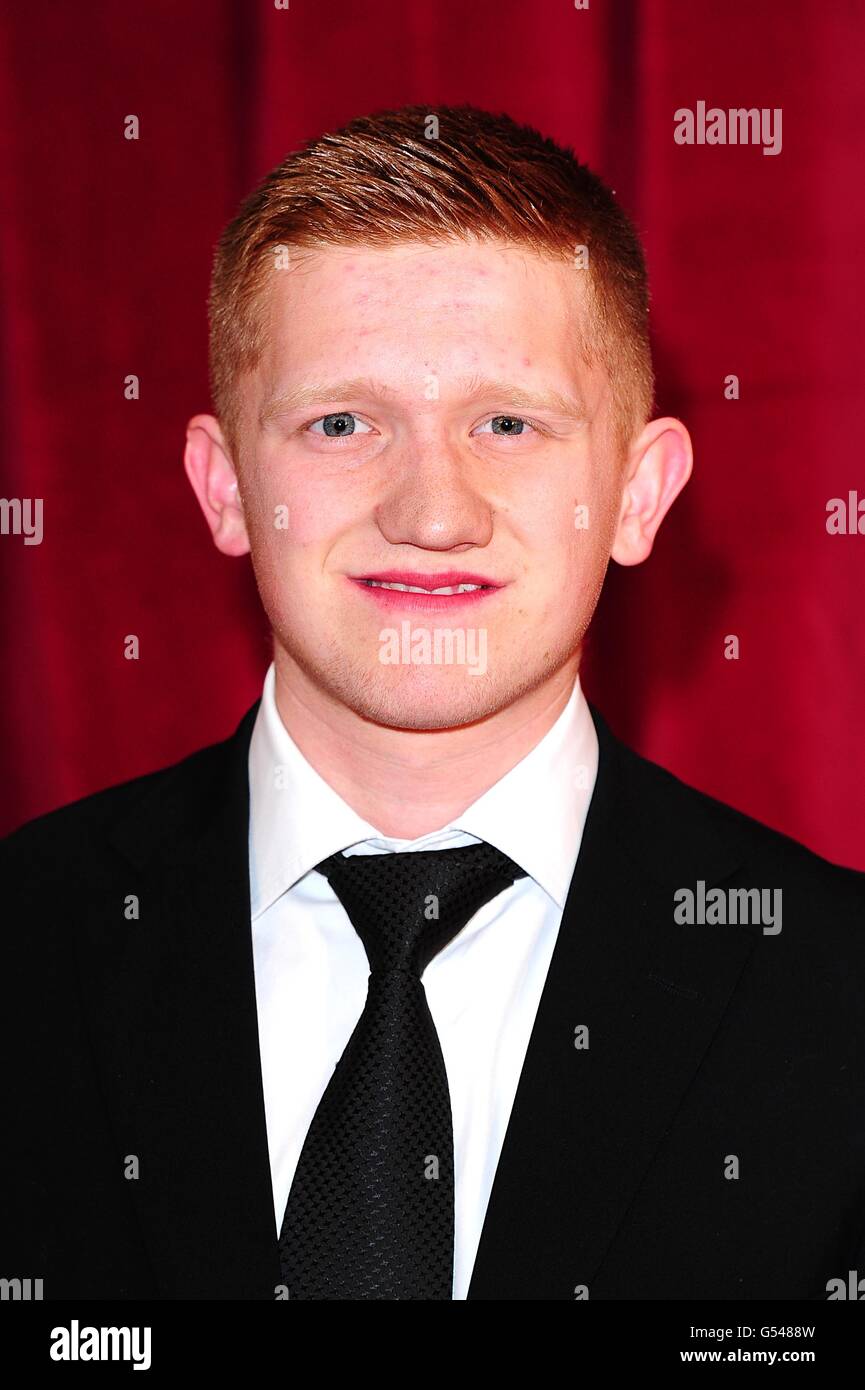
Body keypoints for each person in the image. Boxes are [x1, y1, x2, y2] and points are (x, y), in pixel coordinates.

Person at [3, 105, 864, 1302]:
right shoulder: (24, 947)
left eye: (506, 424)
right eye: (342, 423)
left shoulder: (835, 997)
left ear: (637, 493)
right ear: (224, 486)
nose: (432, 511)